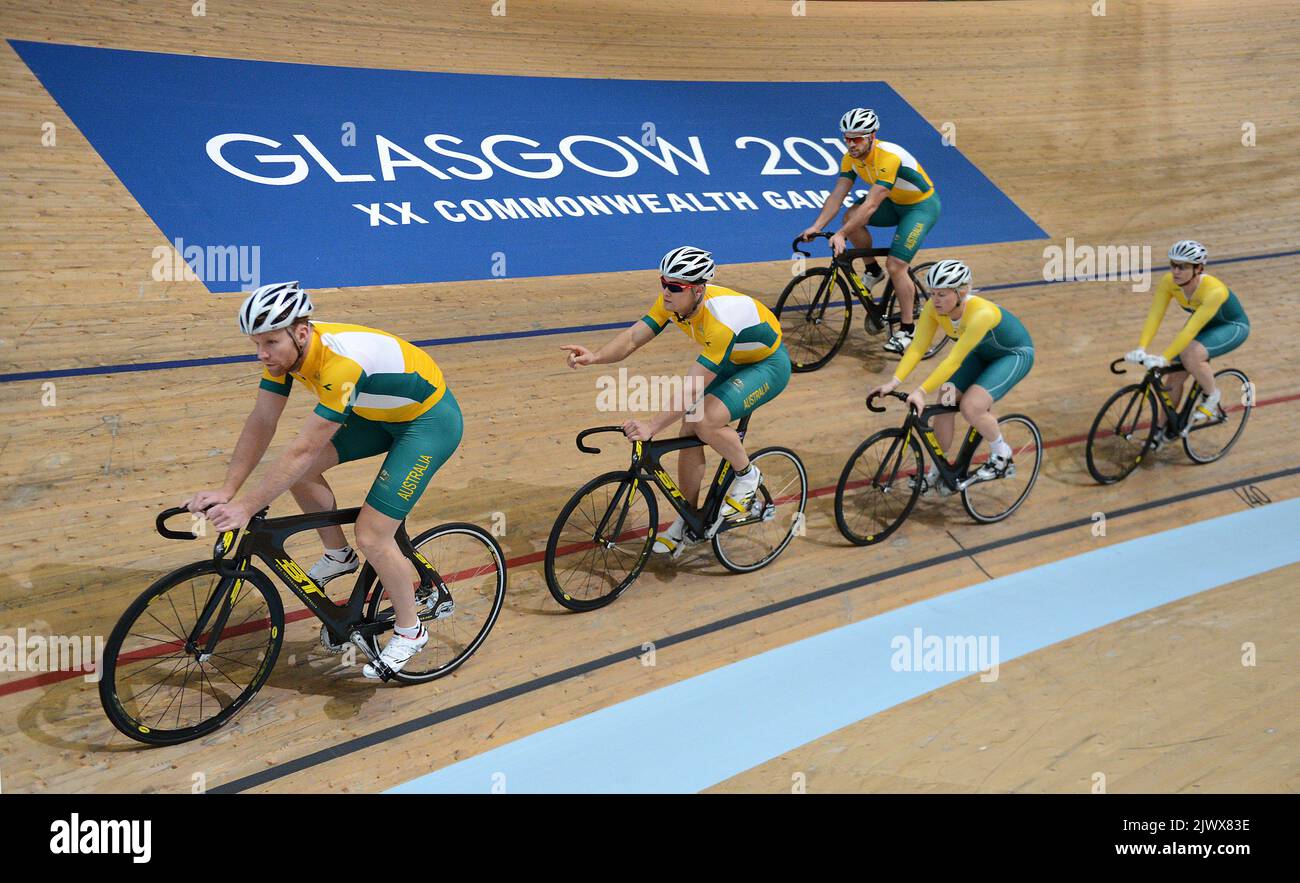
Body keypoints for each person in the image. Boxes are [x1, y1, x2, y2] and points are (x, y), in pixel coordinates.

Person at [182, 281, 463, 679]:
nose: (262, 354)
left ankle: (410, 630)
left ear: (301, 332)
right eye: (256, 344)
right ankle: (337, 555)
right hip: (378, 415)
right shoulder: (284, 356)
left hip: (427, 423)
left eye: (270, 342)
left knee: (373, 535)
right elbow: (263, 420)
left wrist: (246, 507)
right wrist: (229, 489)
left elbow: (302, 448)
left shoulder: (341, 363)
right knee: (301, 474)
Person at [560, 246, 791, 555]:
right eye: (663, 283)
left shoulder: (721, 320)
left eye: (674, 287)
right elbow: (632, 338)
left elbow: (692, 386)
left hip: (767, 366)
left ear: (696, 290)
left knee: (704, 420)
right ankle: (687, 520)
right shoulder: (671, 303)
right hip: (735, 360)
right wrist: (596, 356)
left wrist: (652, 426)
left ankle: (747, 476)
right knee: (689, 429)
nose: (666, 292)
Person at [867, 260, 1033, 493]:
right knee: (945, 398)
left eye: (942, 295)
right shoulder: (933, 310)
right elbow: (917, 348)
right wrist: (893, 382)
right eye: (933, 293)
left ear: (961, 293)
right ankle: (938, 470)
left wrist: (921, 391)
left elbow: (953, 360)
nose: (935, 300)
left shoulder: (981, 314)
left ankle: (1002, 455)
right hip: (980, 354)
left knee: (971, 407)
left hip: (1012, 356)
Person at [799, 107, 942, 354]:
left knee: (897, 266)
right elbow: (837, 195)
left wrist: (842, 234)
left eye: (857, 138)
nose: (851, 144)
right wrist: (817, 226)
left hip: (920, 207)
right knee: (849, 216)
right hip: (895, 203)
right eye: (847, 138)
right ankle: (872, 269)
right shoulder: (850, 158)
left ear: (872, 136)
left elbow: (872, 204)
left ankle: (907, 329)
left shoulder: (888, 157)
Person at [1125, 239, 1250, 449]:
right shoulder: (1168, 282)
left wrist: (1164, 357)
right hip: (1204, 324)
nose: (1175, 271)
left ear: (1198, 268)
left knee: (1191, 354)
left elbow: (1191, 330)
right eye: (1173, 264)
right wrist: (1141, 347)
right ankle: (1160, 432)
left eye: (1182, 267)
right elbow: (1156, 315)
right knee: (1173, 376)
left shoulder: (1214, 291)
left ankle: (1212, 395)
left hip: (1232, 327)